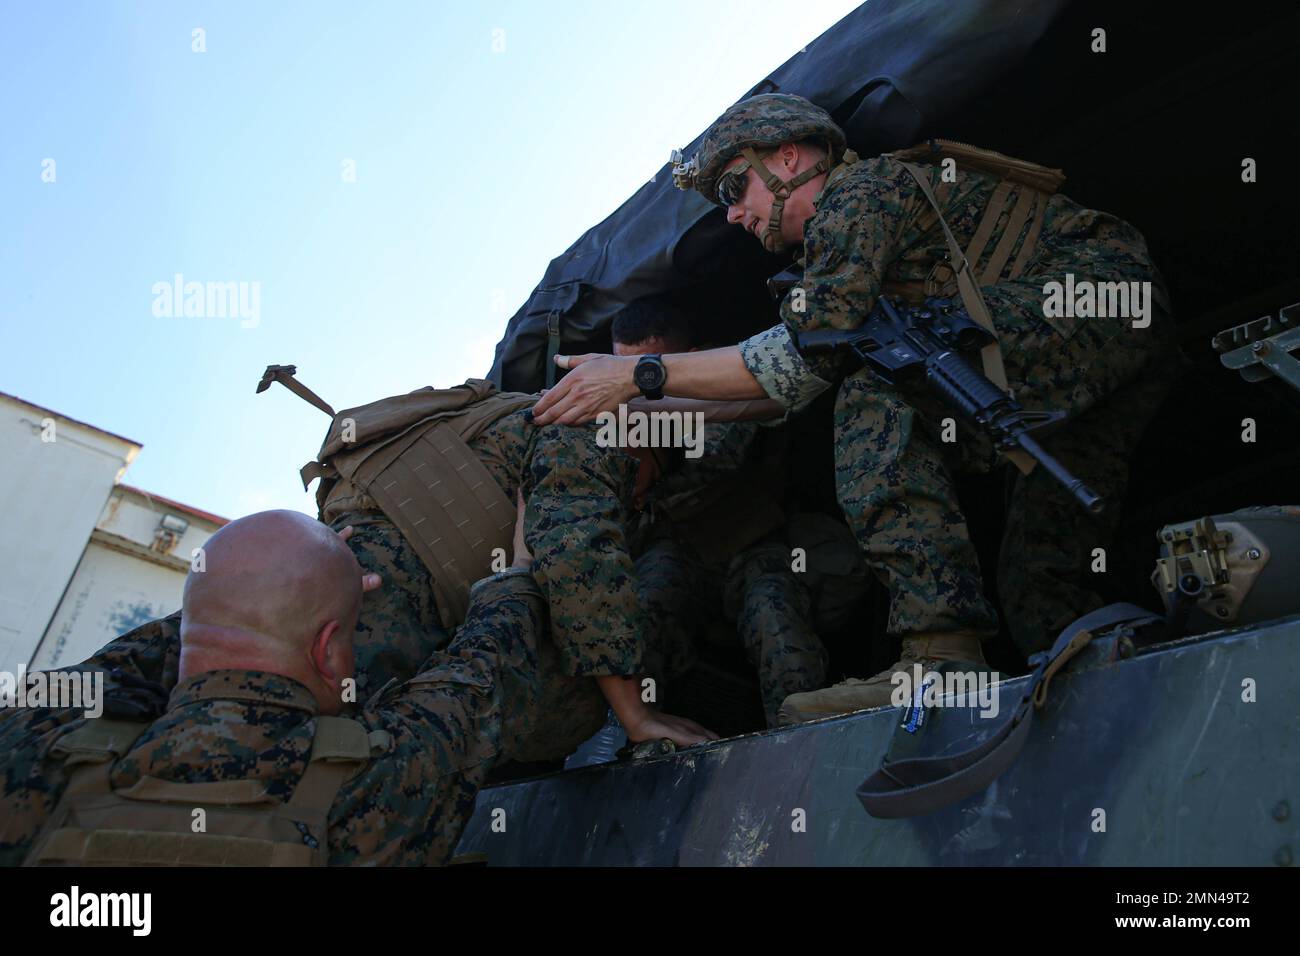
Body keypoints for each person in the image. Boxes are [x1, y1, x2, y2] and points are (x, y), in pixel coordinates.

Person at [532, 93, 1174, 720]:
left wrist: (635, 374)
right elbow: (784, 392)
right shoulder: (861, 222)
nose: (732, 216)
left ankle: (941, 654)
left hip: (1091, 304)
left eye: (733, 190)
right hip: (1114, 339)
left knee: (879, 390)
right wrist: (642, 404)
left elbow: (794, 361)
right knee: (1040, 581)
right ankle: (1109, 704)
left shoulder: (855, 196)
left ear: (788, 160)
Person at [1, 509, 545, 866]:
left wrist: (255, 588)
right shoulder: (384, 775)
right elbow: (485, 665)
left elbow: (101, 671)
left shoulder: (31, 746)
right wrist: (518, 570)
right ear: (328, 650)